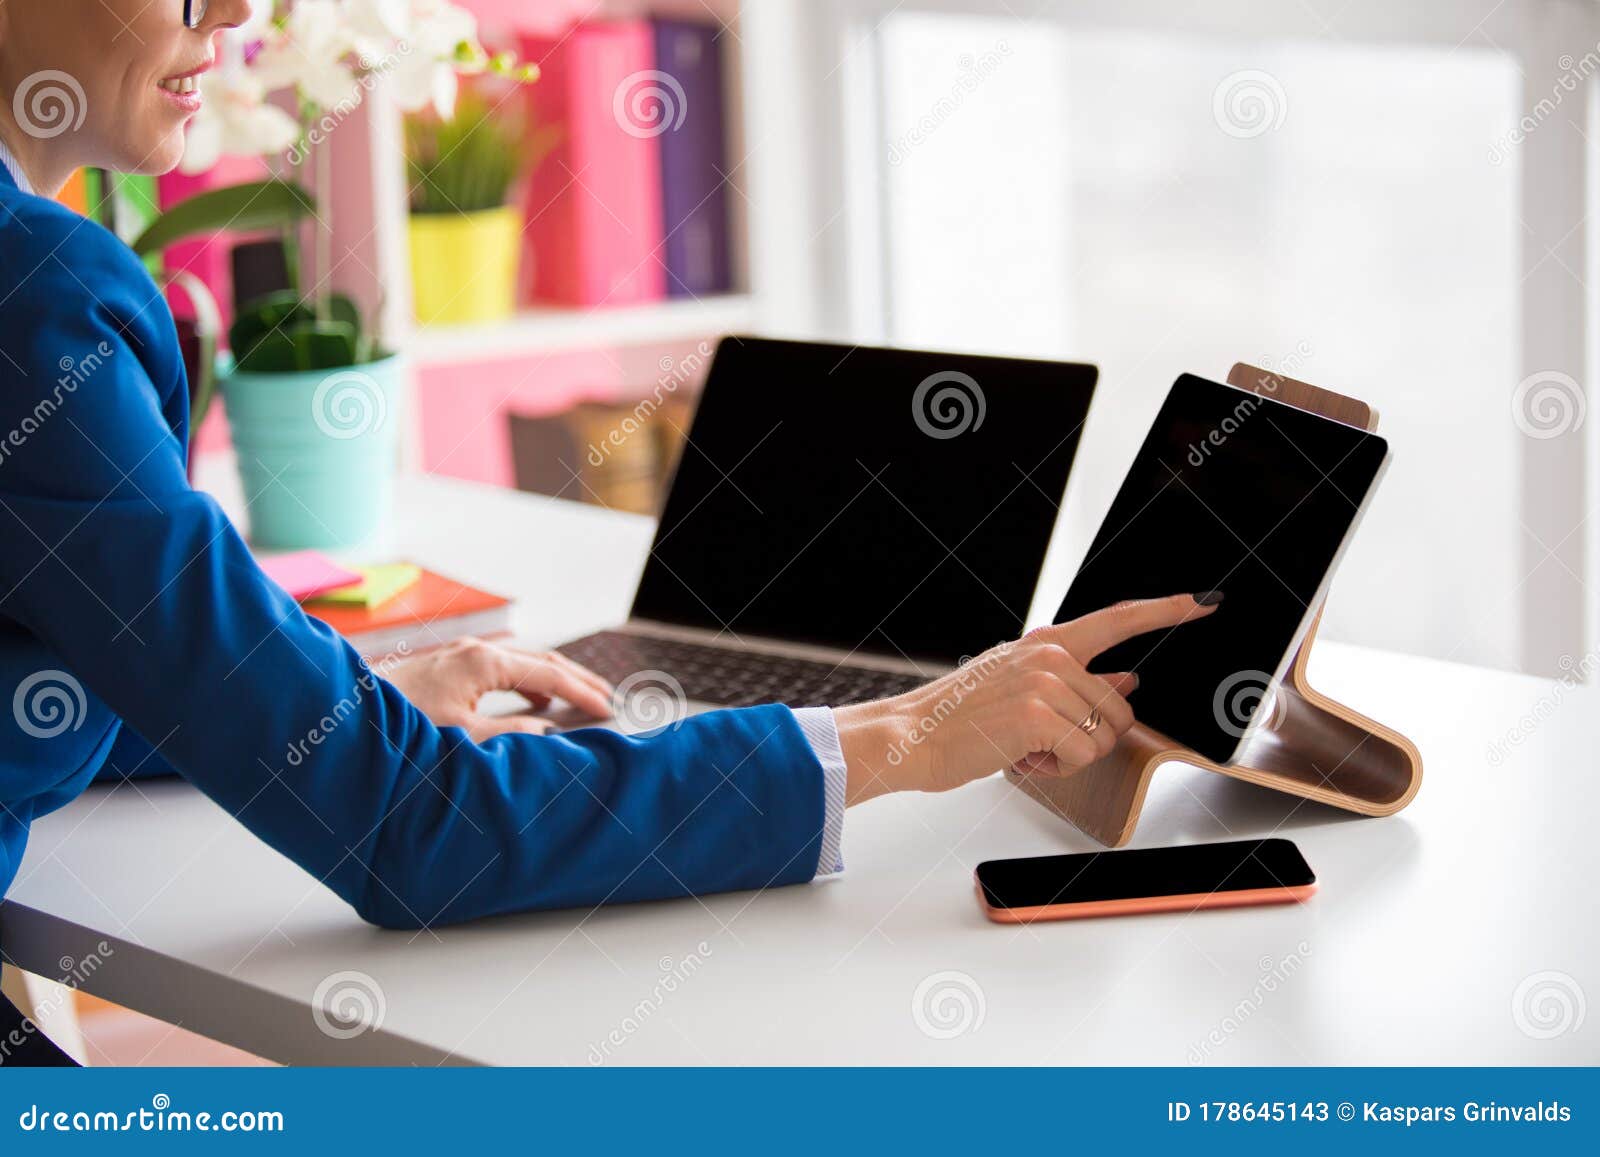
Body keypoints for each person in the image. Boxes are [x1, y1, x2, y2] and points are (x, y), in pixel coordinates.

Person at [0, 0, 1216, 1065]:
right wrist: (903, 730)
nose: (234, 19)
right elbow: (419, 833)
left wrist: (322, 688)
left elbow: (54, 655)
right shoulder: (37, 291)